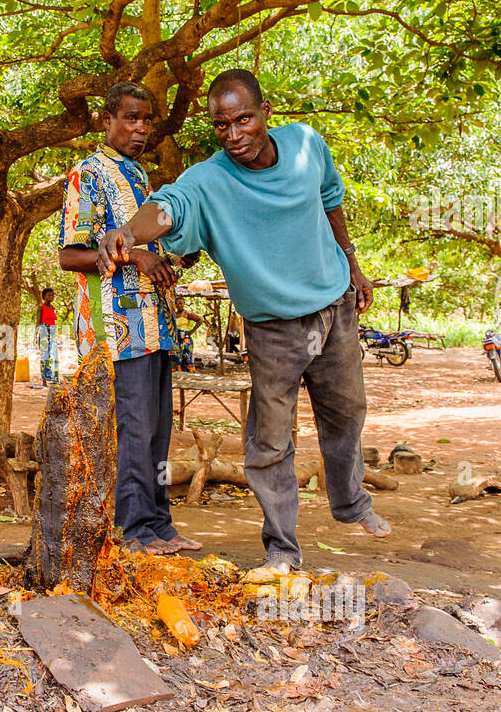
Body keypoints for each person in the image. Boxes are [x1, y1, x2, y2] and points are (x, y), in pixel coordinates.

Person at [99, 68, 391, 573]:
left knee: (347, 413)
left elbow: (330, 200)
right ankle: (282, 547)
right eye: (221, 126)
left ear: (266, 114)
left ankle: (350, 502)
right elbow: (166, 211)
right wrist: (128, 230)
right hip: (272, 327)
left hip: (334, 306)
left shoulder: (304, 144)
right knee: (269, 440)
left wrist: (354, 263)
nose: (234, 136)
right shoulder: (208, 180)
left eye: (244, 120)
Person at [58, 81, 203, 556]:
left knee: (159, 432)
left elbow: (149, 243)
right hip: (117, 330)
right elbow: (69, 256)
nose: (140, 128)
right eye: (130, 118)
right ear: (107, 120)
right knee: (132, 431)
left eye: (146, 119)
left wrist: (174, 256)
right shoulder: (89, 172)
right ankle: (131, 530)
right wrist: (137, 256)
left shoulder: (141, 176)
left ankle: (159, 523)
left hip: (156, 326)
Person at [34, 287, 59, 385]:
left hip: (53, 331)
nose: (51, 297)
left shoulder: (53, 307)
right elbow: (38, 321)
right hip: (44, 331)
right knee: (44, 355)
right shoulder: (41, 306)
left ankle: (54, 378)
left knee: (54, 354)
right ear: (44, 296)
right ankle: (44, 380)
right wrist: (36, 335)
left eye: (52, 295)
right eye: (49, 295)